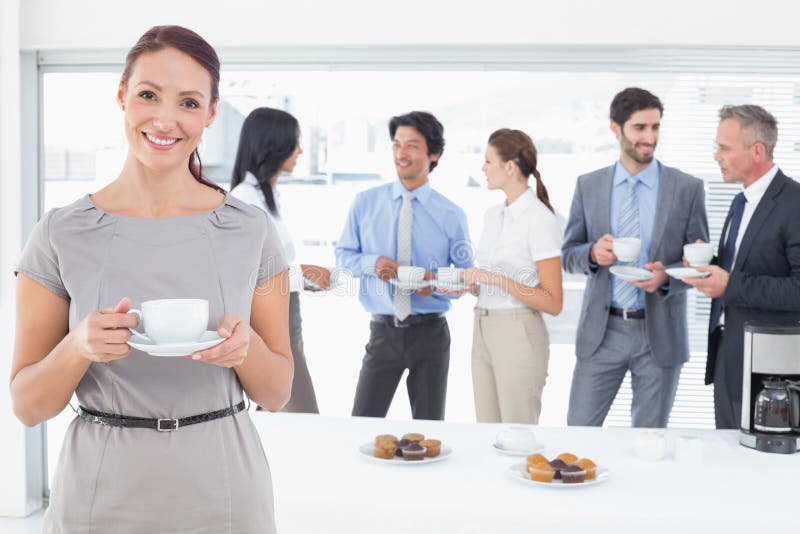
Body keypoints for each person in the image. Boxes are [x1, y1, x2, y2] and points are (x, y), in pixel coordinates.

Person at [10, 26, 291, 533]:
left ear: (209, 114)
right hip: (97, 496)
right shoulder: (59, 232)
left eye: (188, 102)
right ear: (122, 96)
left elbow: (277, 393)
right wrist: (78, 347)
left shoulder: (251, 230)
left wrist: (244, 350)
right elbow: (28, 406)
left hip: (225, 493)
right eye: (148, 95)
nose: (165, 119)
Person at [562, 87, 709, 428]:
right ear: (616, 128)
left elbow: (699, 265)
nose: (650, 137)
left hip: (659, 333)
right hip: (603, 332)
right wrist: (593, 254)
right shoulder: (589, 186)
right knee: (579, 432)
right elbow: (568, 255)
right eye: (640, 128)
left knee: (650, 442)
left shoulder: (687, 189)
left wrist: (665, 278)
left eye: (655, 127)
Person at [335, 111, 472, 420]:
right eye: (397, 145)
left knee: (429, 431)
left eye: (411, 145)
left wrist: (434, 282)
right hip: (383, 332)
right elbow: (343, 255)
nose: (401, 154)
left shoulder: (452, 214)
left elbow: (466, 279)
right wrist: (373, 264)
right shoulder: (364, 202)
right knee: (361, 423)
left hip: (431, 335)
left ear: (433, 153)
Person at [683, 104, 800, 429]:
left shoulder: (795, 203)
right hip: (729, 357)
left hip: (773, 371)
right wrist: (705, 267)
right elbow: (742, 265)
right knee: (728, 461)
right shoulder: (740, 201)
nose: (716, 156)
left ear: (757, 151)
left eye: (724, 148)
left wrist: (729, 284)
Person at [230, 106, 330, 414]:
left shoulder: (265, 196)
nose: (300, 150)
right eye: (295, 141)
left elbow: (273, 264)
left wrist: (304, 278)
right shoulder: (245, 200)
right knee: (302, 414)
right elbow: (247, 276)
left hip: (285, 315)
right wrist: (302, 274)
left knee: (279, 414)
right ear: (274, 144)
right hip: (270, 320)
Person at [461, 129, 563, 424]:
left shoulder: (540, 219)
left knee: (517, 435)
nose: (483, 168)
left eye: (488, 161)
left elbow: (553, 301)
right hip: (482, 327)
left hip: (519, 333)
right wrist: (475, 286)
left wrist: (498, 280)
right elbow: (493, 281)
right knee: (486, 431)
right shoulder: (492, 217)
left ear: (510, 166)